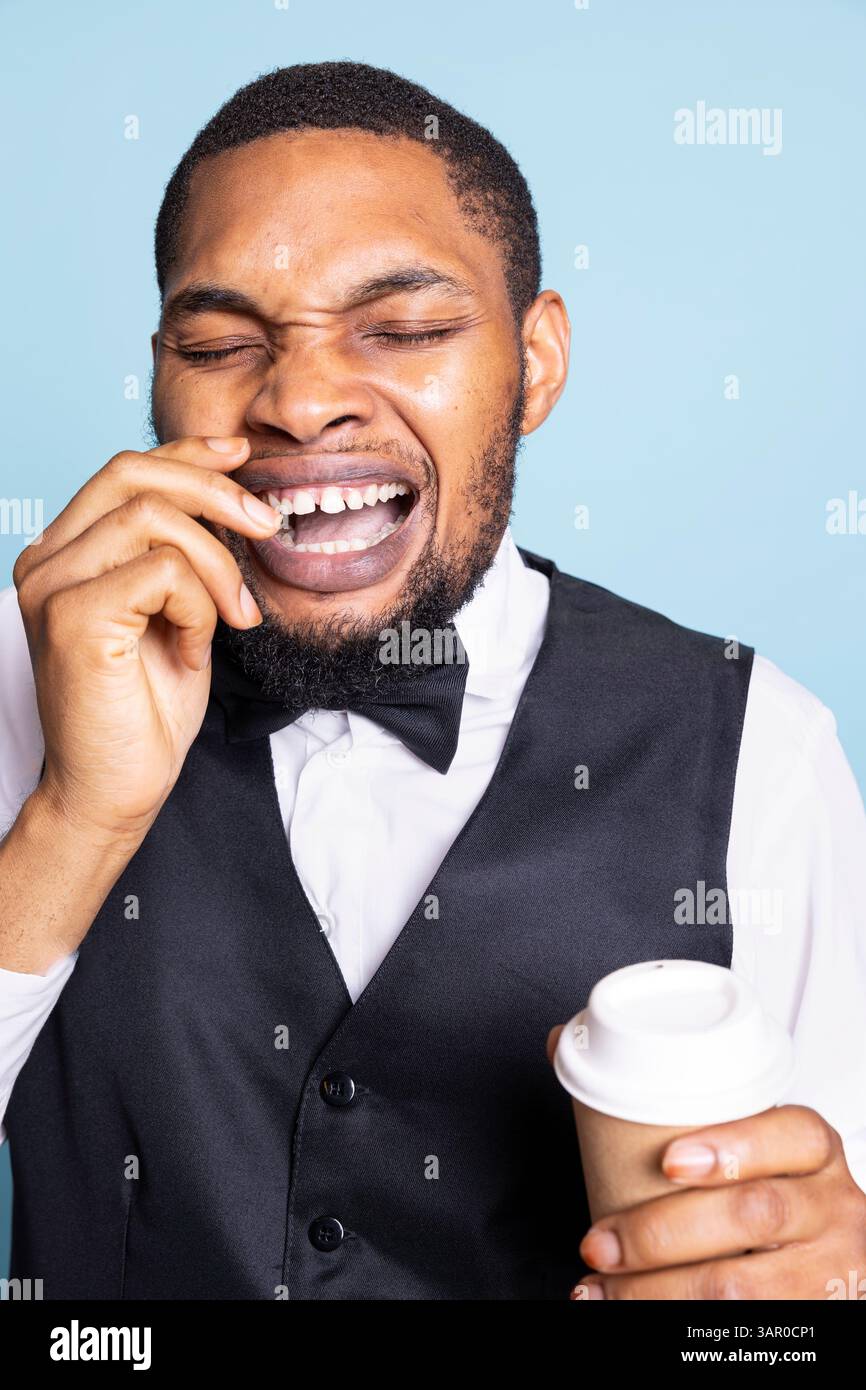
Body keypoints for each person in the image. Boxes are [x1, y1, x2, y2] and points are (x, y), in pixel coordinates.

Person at [1, 61, 864, 1301]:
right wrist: (74, 823)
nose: (297, 401)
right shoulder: (28, 671)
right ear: (159, 372)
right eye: (220, 341)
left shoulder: (756, 749)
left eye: (401, 328)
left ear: (536, 362)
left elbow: (799, 1277)